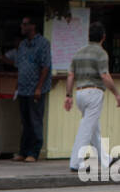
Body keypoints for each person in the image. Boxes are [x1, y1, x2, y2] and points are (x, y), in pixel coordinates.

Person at [64, 22, 120, 173]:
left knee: (94, 127)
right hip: (94, 92)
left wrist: (68, 95)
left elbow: (70, 75)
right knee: (87, 128)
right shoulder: (101, 53)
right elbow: (104, 75)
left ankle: (105, 160)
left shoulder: (79, 52)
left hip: (79, 92)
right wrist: (116, 93)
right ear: (103, 37)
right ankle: (76, 162)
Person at [11, 16, 52, 161]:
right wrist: (16, 85)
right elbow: (19, 66)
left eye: (25, 24)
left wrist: (39, 88)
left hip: (35, 87)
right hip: (23, 88)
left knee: (35, 120)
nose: (22, 26)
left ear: (33, 26)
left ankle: (34, 152)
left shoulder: (43, 43)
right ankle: (23, 151)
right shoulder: (22, 44)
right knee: (25, 121)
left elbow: (45, 67)